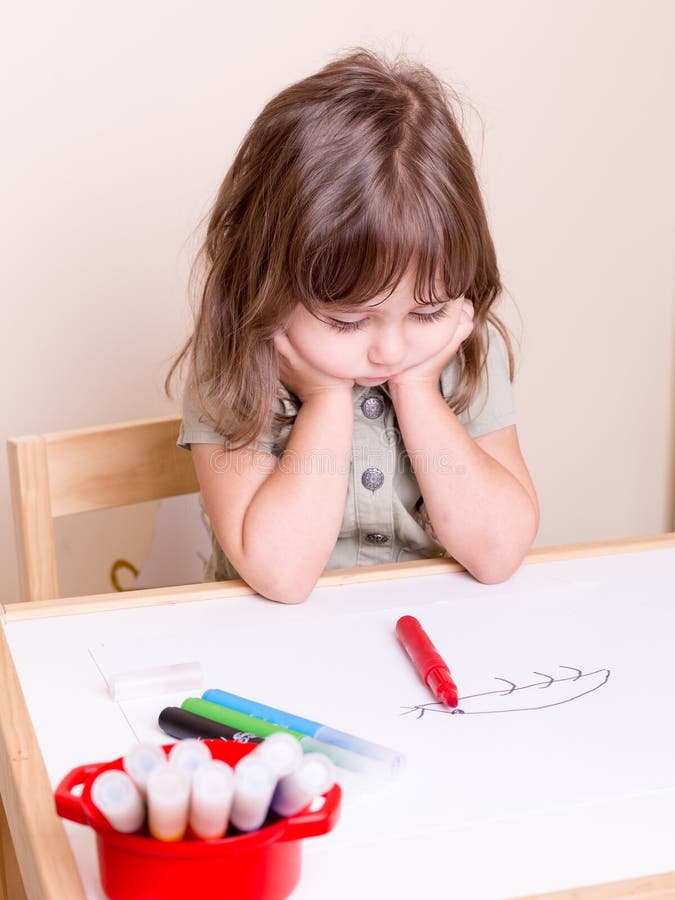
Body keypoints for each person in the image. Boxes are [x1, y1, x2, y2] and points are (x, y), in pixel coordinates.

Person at [166, 47, 539, 604]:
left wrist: (417, 390)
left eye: (427, 311)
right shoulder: (238, 365)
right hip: (274, 649)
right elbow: (281, 575)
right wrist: (323, 397)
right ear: (267, 286)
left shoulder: (456, 357)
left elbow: (499, 551)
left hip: (425, 638)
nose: (391, 350)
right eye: (347, 321)